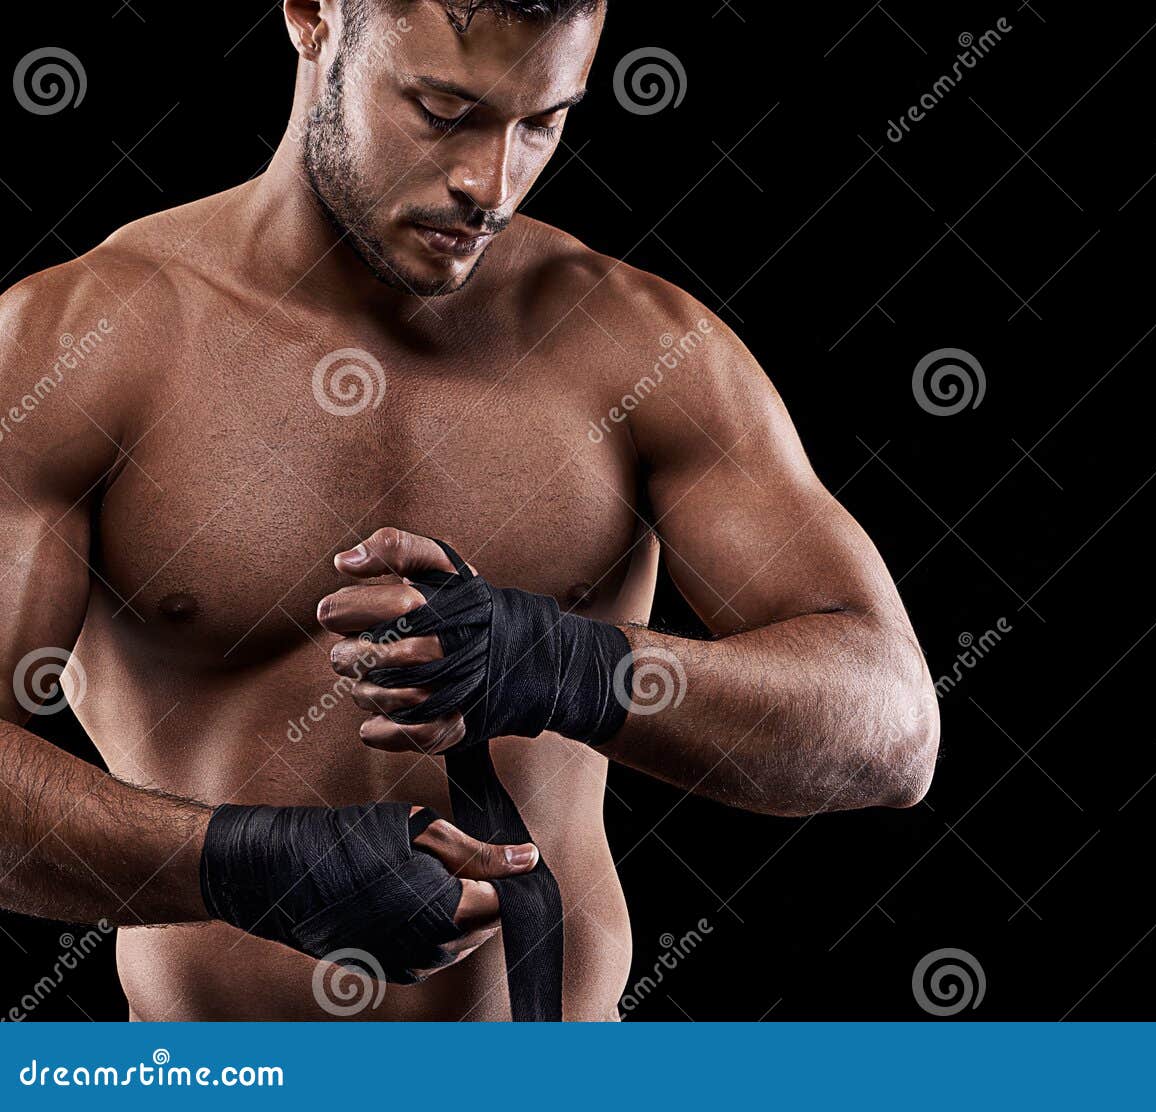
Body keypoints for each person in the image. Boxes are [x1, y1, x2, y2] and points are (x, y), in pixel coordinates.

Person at [0, 0, 938, 1020]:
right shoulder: (79, 346)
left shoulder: (637, 347)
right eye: (445, 111)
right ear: (316, 17)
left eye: (541, 122)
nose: (490, 186)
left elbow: (890, 727)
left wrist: (573, 666)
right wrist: (241, 864)